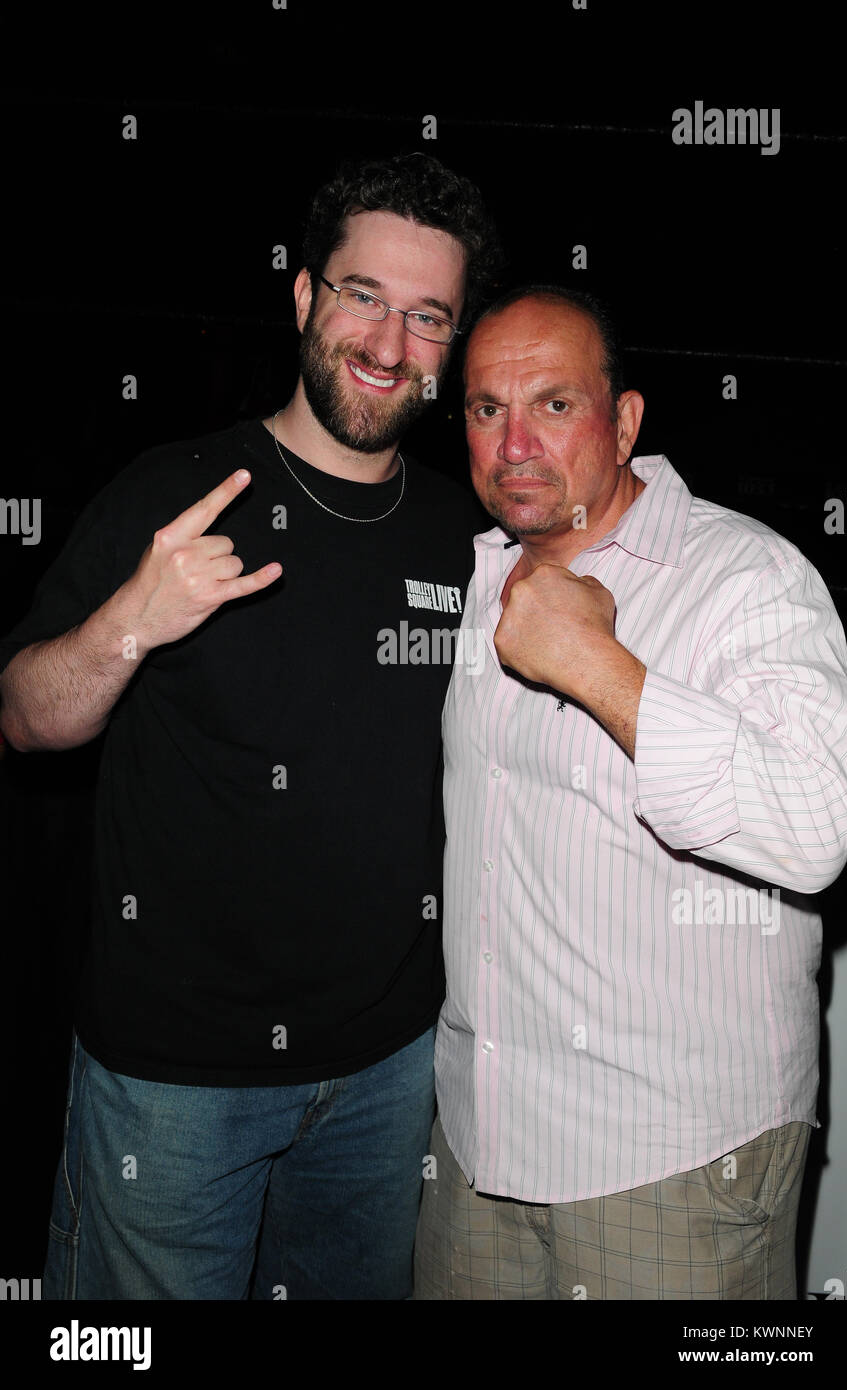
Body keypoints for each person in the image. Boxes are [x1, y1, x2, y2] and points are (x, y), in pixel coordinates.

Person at [0, 153, 499, 1300]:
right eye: (361, 295)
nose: (387, 343)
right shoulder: (170, 492)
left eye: (427, 317)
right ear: (302, 298)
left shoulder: (464, 537)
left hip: (386, 1074)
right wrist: (133, 620)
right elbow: (27, 720)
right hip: (174, 1087)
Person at [413, 284, 847, 1301]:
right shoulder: (478, 574)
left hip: (673, 1162)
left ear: (623, 421)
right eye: (486, 409)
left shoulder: (746, 578)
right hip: (478, 1148)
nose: (515, 441)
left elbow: (811, 826)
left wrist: (599, 667)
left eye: (554, 405)